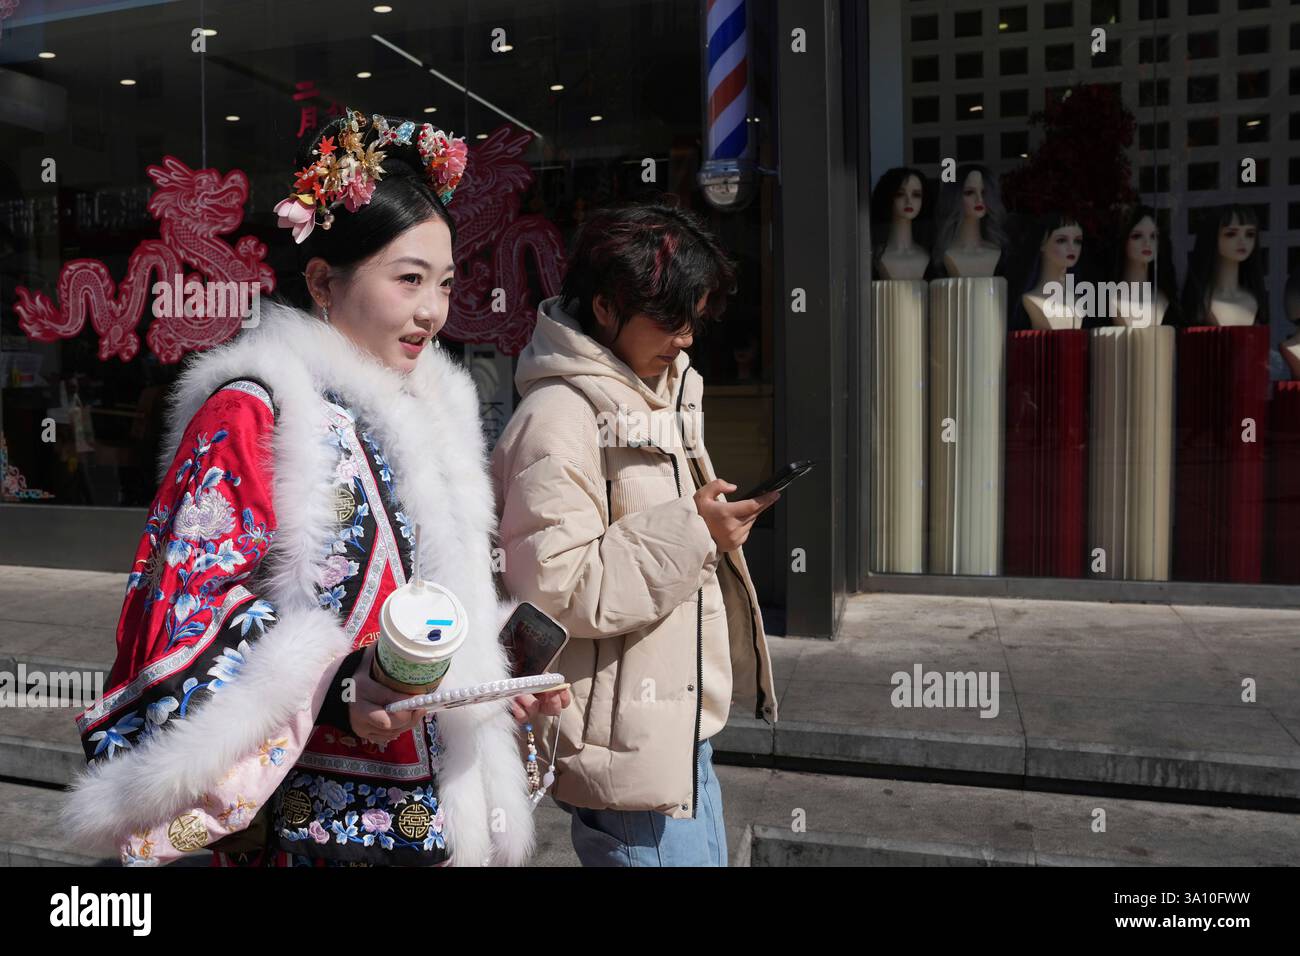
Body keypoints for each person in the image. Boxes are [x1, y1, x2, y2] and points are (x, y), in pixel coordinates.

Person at [62, 109, 566, 867]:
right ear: (325, 281)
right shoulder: (260, 410)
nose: (432, 310)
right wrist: (335, 689)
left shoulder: (434, 410)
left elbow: (425, 598)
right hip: (313, 822)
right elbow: (184, 610)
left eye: (445, 284)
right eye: (408, 280)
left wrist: (486, 675)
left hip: (432, 815)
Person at [492, 201, 780, 866]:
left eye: (695, 320)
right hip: (624, 747)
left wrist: (709, 531)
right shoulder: (557, 419)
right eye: (672, 318)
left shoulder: (659, 395)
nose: (685, 338)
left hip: (673, 730)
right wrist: (694, 531)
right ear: (604, 307)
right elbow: (557, 588)